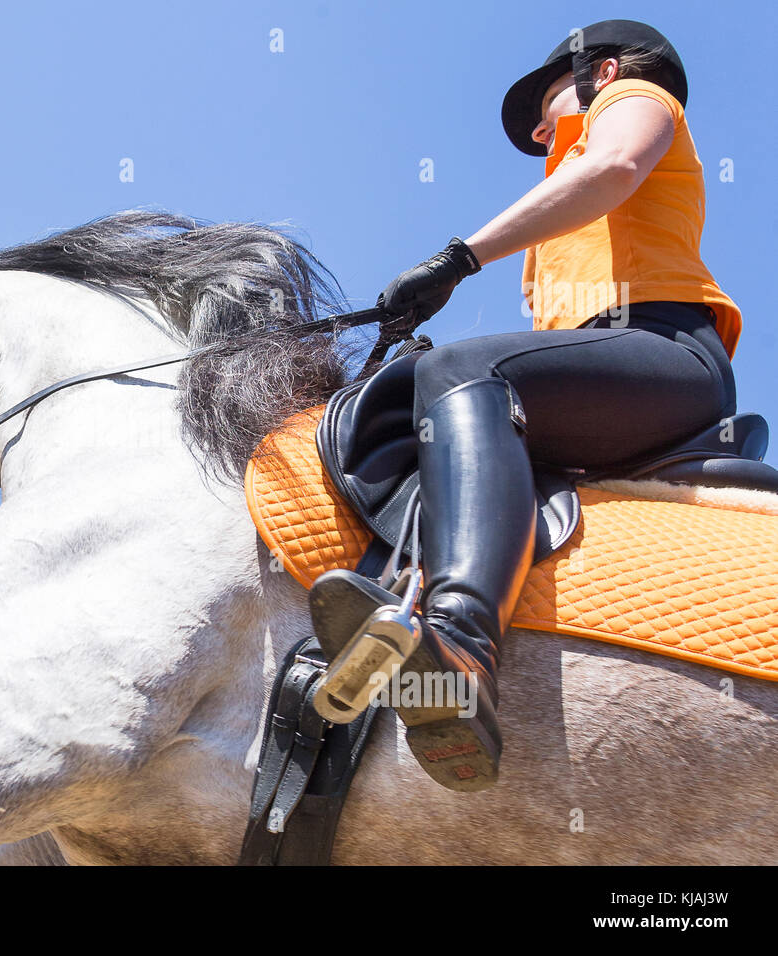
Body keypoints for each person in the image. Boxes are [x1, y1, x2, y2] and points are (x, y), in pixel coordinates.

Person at [309, 19, 742, 792]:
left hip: (667, 357)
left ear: (602, 71)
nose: (540, 130)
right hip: (597, 383)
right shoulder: (556, 218)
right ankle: (405, 596)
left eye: (547, 106)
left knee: (467, 373)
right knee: (438, 391)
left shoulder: (639, 99)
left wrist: (457, 259)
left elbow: (610, 166)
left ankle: (464, 644)